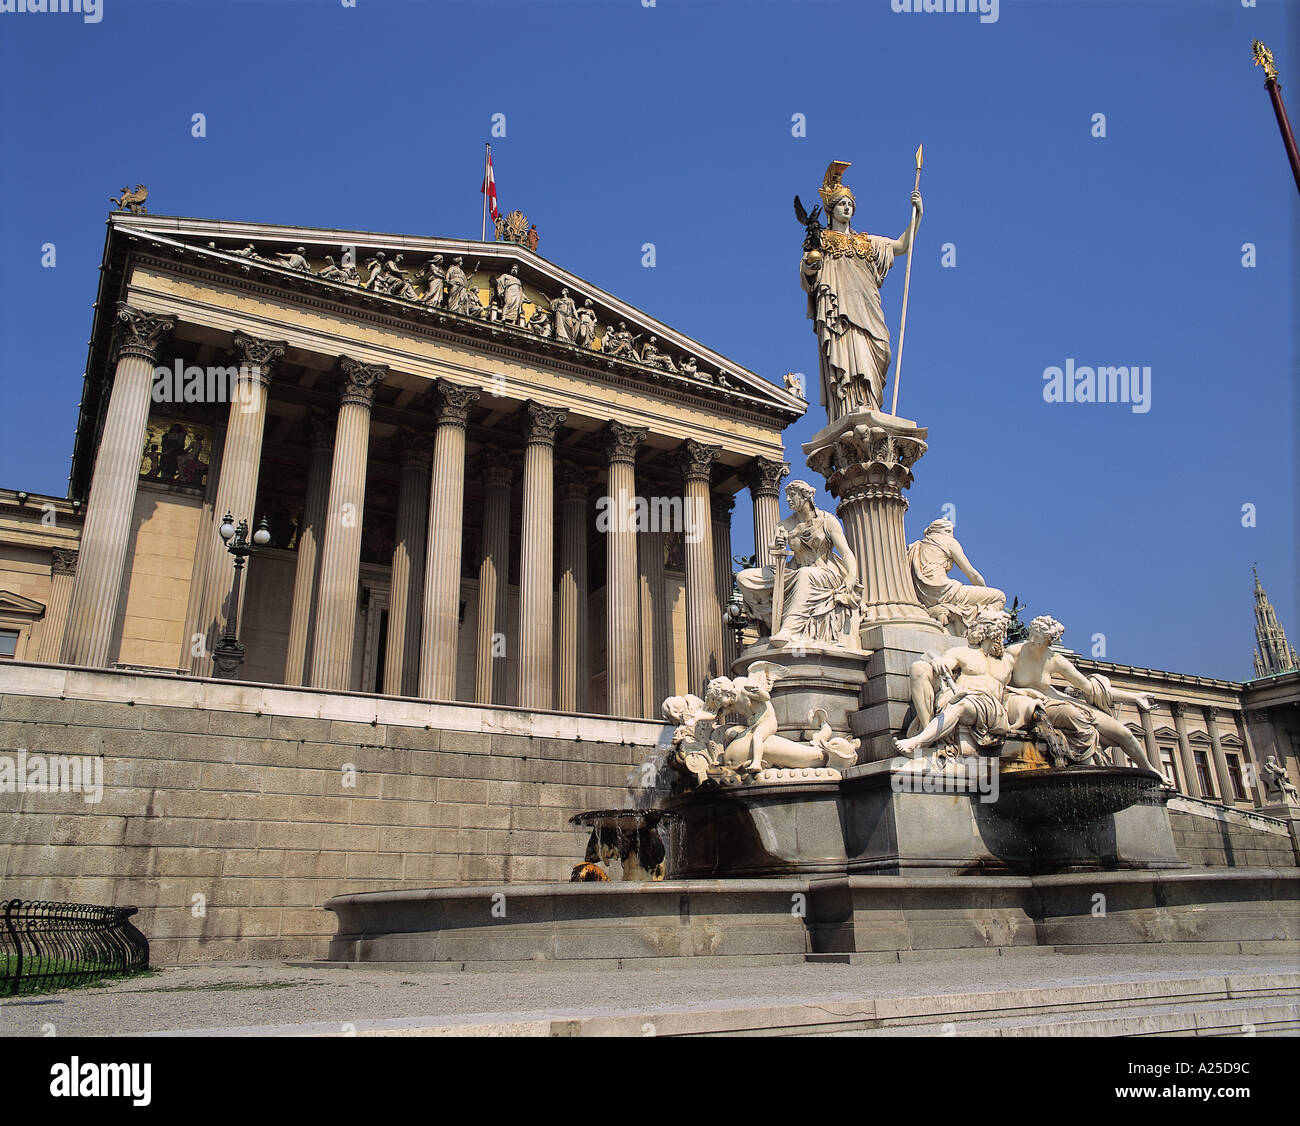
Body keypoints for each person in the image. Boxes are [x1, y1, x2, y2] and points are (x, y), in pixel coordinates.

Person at [801, 160, 921, 418]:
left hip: (868, 307)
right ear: (831, 210)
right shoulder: (821, 241)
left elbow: (901, 246)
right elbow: (808, 273)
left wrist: (916, 214)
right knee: (847, 353)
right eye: (842, 204)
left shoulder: (866, 241)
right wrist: (812, 263)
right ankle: (851, 406)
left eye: (850, 204)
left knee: (881, 348)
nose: (847, 208)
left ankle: (871, 403)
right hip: (840, 312)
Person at [1007, 616, 1166, 779]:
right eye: (1031, 634)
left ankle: (1150, 770)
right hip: (1032, 703)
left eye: (1038, 637)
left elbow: (1090, 688)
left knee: (1123, 733)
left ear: (1049, 640)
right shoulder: (1015, 652)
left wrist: (1134, 697)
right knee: (1076, 718)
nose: (1032, 640)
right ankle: (1088, 769)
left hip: (1057, 699)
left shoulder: (1055, 659)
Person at [736, 479, 861, 649]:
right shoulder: (785, 524)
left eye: (792, 496)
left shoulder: (827, 520)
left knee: (806, 574)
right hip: (793, 569)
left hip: (823, 571)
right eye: (787, 496)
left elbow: (846, 551)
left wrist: (852, 574)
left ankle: (790, 630)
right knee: (744, 577)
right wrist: (778, 543)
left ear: (805, 497)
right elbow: (772, 546)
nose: (788, 500)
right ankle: (771, 624)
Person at [908, 518, 1006, 630]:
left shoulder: (916, 546)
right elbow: (971, 573)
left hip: (923, 597)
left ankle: (946, 611)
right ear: (946, 531)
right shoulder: (948, 541)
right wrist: (984, 592)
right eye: (950, 532)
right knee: (999, 597)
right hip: (945, 591)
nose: (952, 535)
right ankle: (977, 627)